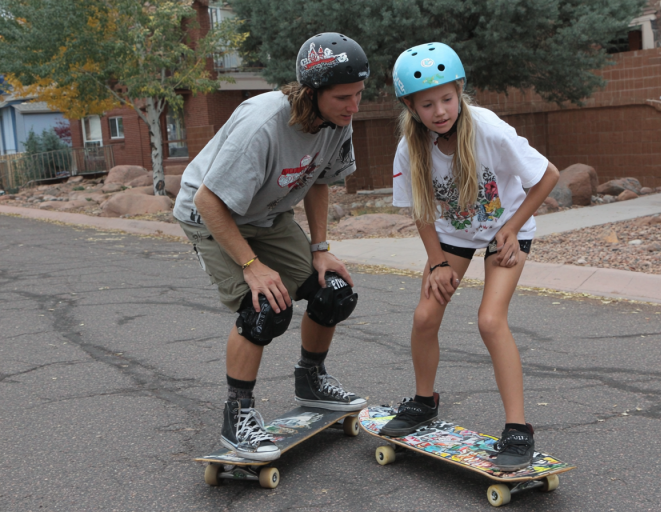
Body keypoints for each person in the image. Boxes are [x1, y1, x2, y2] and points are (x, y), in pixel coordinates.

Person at [173, 33, 370, 462]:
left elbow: (320, 178)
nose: (353, 106)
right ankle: (237, 416)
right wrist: (251, 265)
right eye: (342, 97)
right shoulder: (262, 123)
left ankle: (311, 379)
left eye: (358, 94)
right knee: (266, 307)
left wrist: (320, 247)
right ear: (312, 92)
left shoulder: (337, 120)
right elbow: (208, 201)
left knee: (332, 290)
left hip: (264, 214)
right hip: (210, 214)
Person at [381, 42, 560, 471]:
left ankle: (518, 429)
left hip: (506, 229)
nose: (440, 110)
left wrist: (512, 228)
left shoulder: (487, 129)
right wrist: (438, 262)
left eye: (447, 98)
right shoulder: (411, 147)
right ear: (411, 106)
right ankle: (424, 402)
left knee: (490, 320)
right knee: (425, 316)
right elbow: (421, 209)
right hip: (453, 233)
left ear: (460, 91)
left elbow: (548, 176)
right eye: (427, 104)